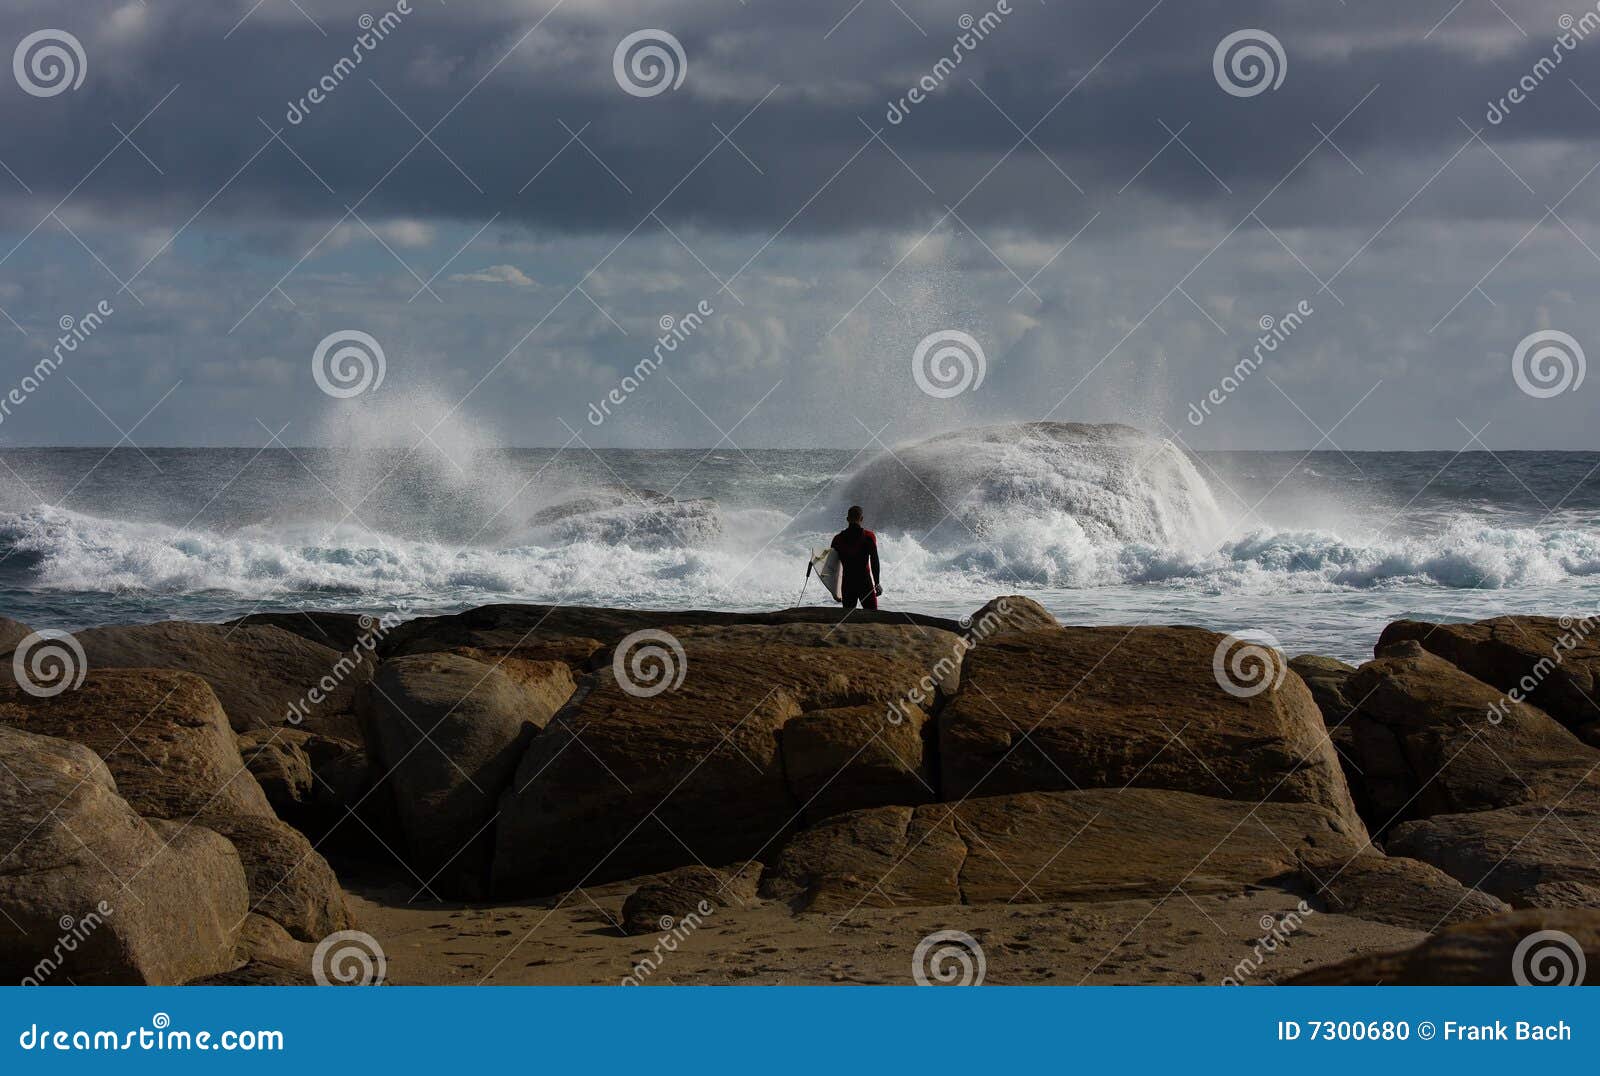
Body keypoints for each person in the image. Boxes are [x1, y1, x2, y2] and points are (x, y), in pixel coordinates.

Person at [830, 505, 882, 611]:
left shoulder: (837, 539)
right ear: (861, 519)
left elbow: (832, 566)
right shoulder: (869, 536)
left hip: (848, 583)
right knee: (872, 616)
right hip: (865, 582)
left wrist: (834, 590)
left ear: (847, 519)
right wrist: (877, 583)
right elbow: (874, 560)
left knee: (848, 619)